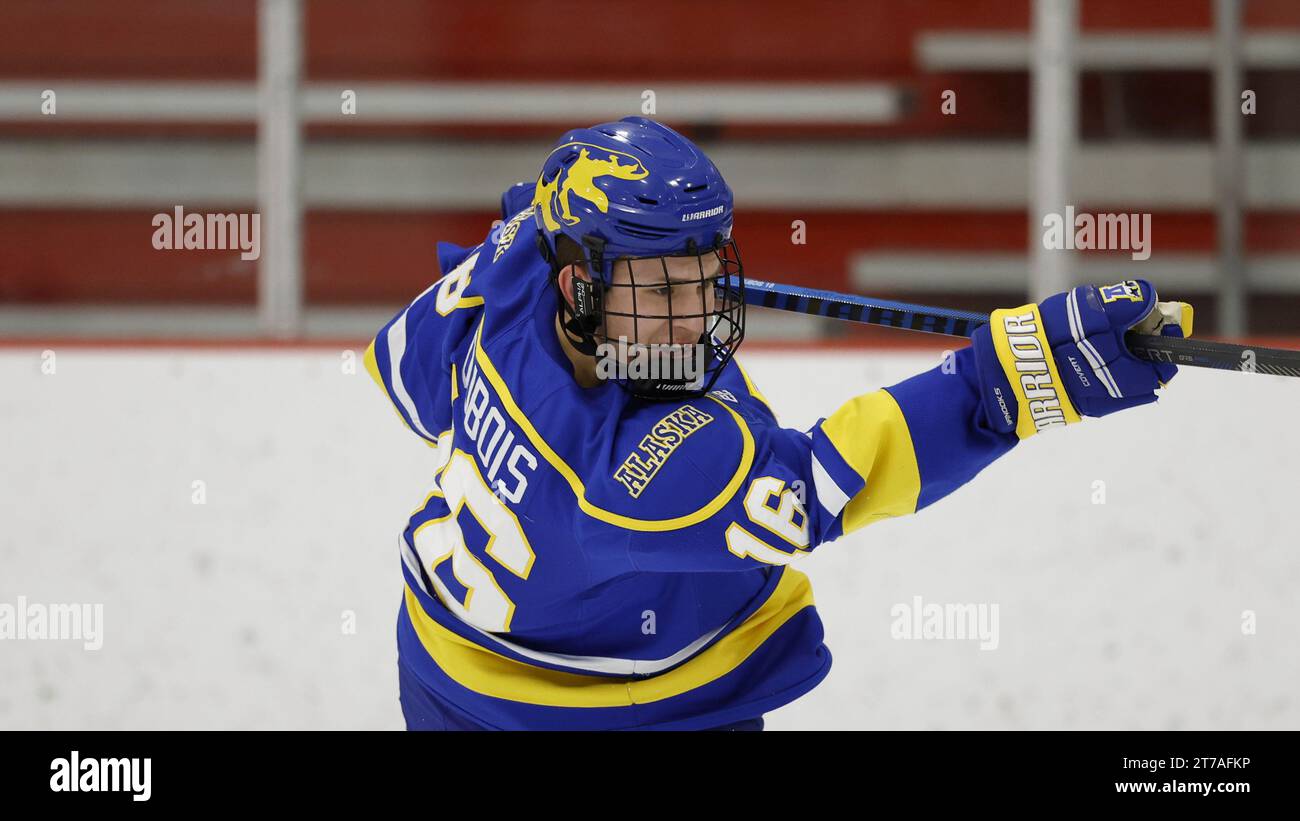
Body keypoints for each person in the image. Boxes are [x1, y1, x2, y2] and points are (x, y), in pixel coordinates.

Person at [364, 116, 1192, 730]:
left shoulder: (513, 273)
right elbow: (828, 481)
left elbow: (400, 371)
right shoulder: (638, 471)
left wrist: (555, 226)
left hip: (441, 665)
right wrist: (1022, 376)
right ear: (580, 288)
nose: (697, 316)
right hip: (608, 710)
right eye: (661, 292)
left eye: (700, 274)